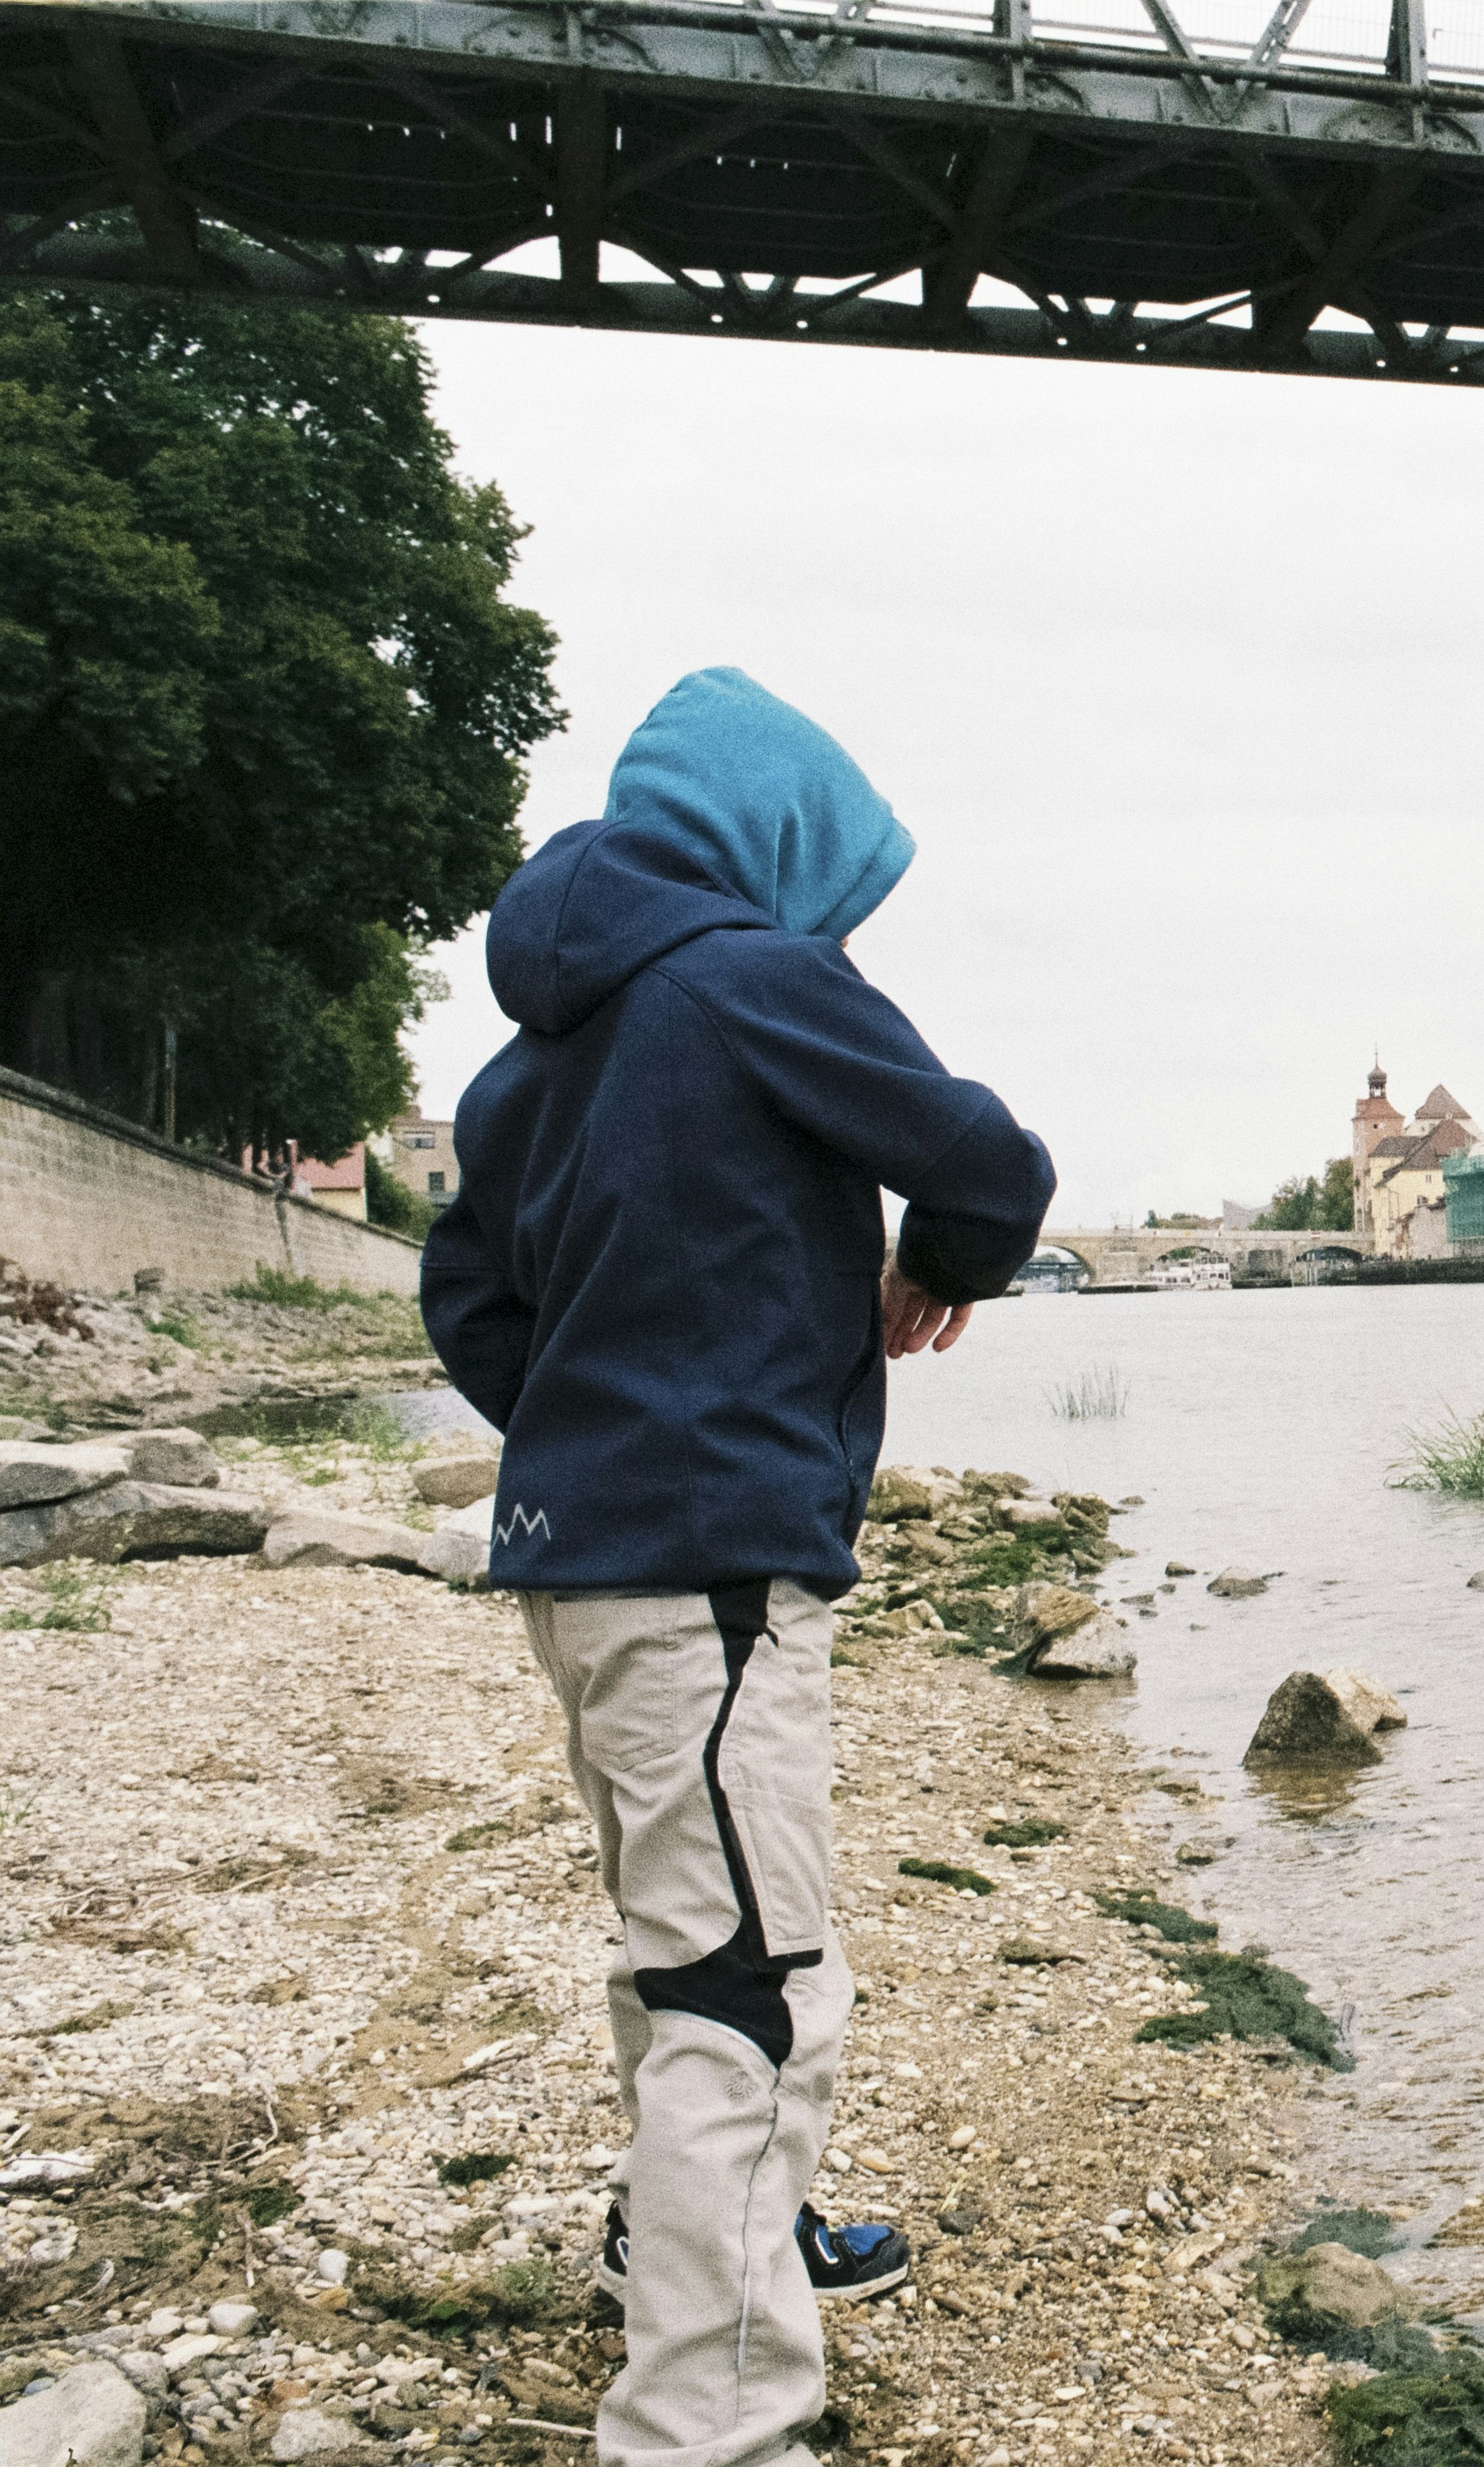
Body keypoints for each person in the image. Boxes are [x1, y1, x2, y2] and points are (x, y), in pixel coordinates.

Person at [422, 669, 1055, 2467]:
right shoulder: (756, 982)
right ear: (773, 844)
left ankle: (707, 2248)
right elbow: (989, 1160)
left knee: (680, 1953)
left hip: (580, 1562)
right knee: (750, 1987)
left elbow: (463, 1287)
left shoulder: (527, 1057)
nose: (833, 925)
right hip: (707, 1566)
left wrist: (581, 1413)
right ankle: (708, 2422)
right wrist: (941, 1257)